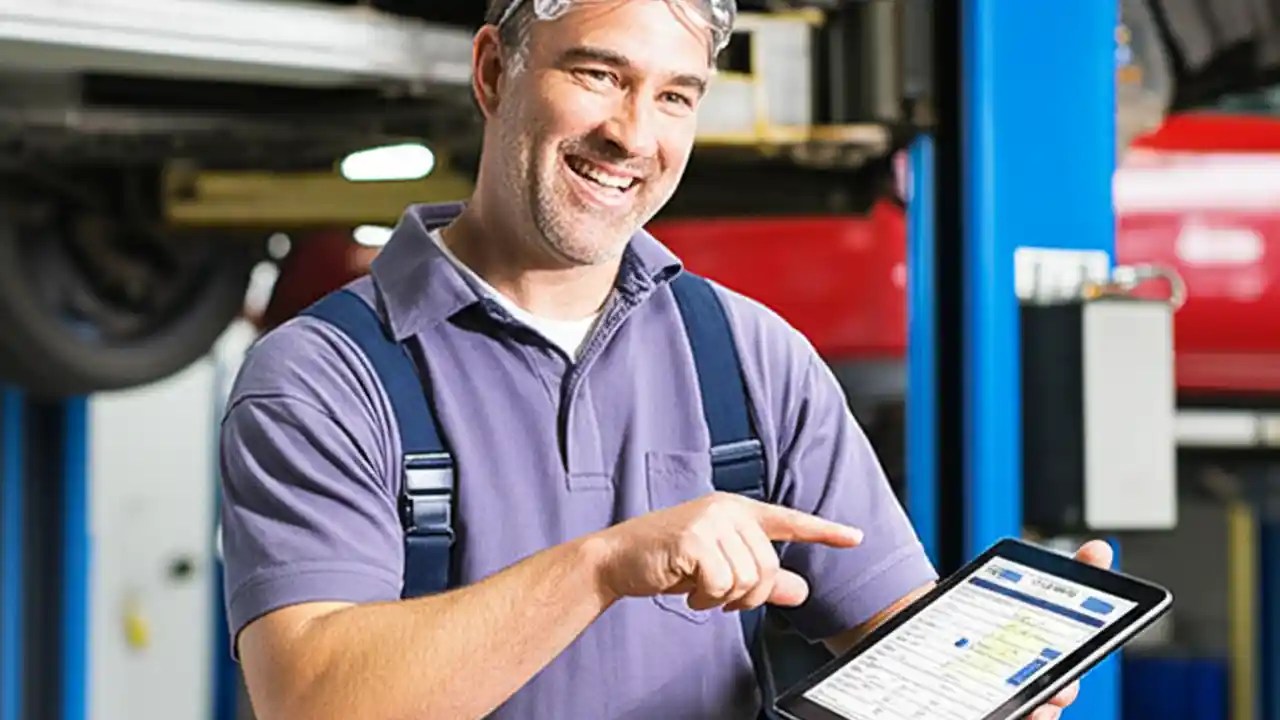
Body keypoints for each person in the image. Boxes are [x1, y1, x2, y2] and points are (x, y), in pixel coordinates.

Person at [217, 1, 1112, 718]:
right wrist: (605, 566)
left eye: (675, 95)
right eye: (600, 75)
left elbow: (891, 652)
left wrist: (986, 681)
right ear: (495, 70)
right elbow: (317, 701)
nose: (634, 135)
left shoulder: (752, 358)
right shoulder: (323, 377)